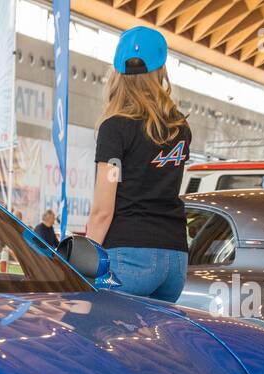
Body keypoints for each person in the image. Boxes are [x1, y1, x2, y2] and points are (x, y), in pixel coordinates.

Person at [84, 26, 191, 303]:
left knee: (99, 340)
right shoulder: (179, 128)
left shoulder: (115, 127)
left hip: (128, 256)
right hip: (174, 259)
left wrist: (83, 266)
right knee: (150, 346)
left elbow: (102, 211)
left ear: (117, 73)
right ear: (161, 70)